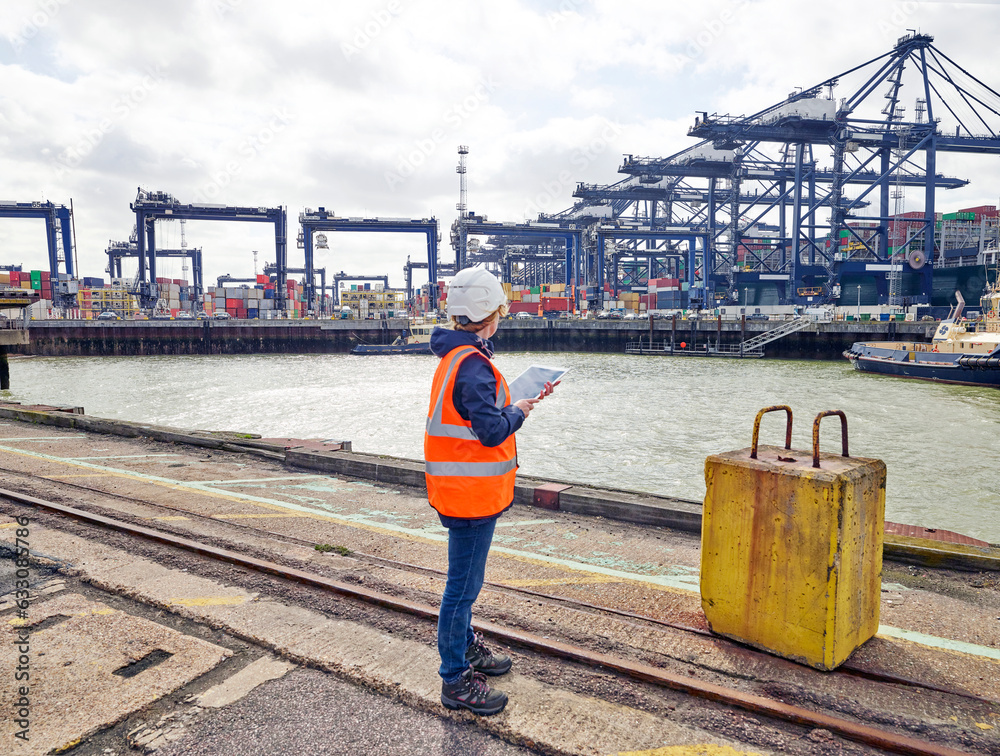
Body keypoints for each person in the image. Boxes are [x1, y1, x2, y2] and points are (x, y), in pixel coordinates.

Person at [424, 266, 555, 717]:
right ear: (490, 314)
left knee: (464, 586)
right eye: (500, 310)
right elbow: (490, 431)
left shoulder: (456, 357)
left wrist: (509, 403)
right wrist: (519, 411)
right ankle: (455, 679)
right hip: (471, 497)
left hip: (459, 490)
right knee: (462, 589)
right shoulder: (473, 366)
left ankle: (466, 652)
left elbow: (468, 417)